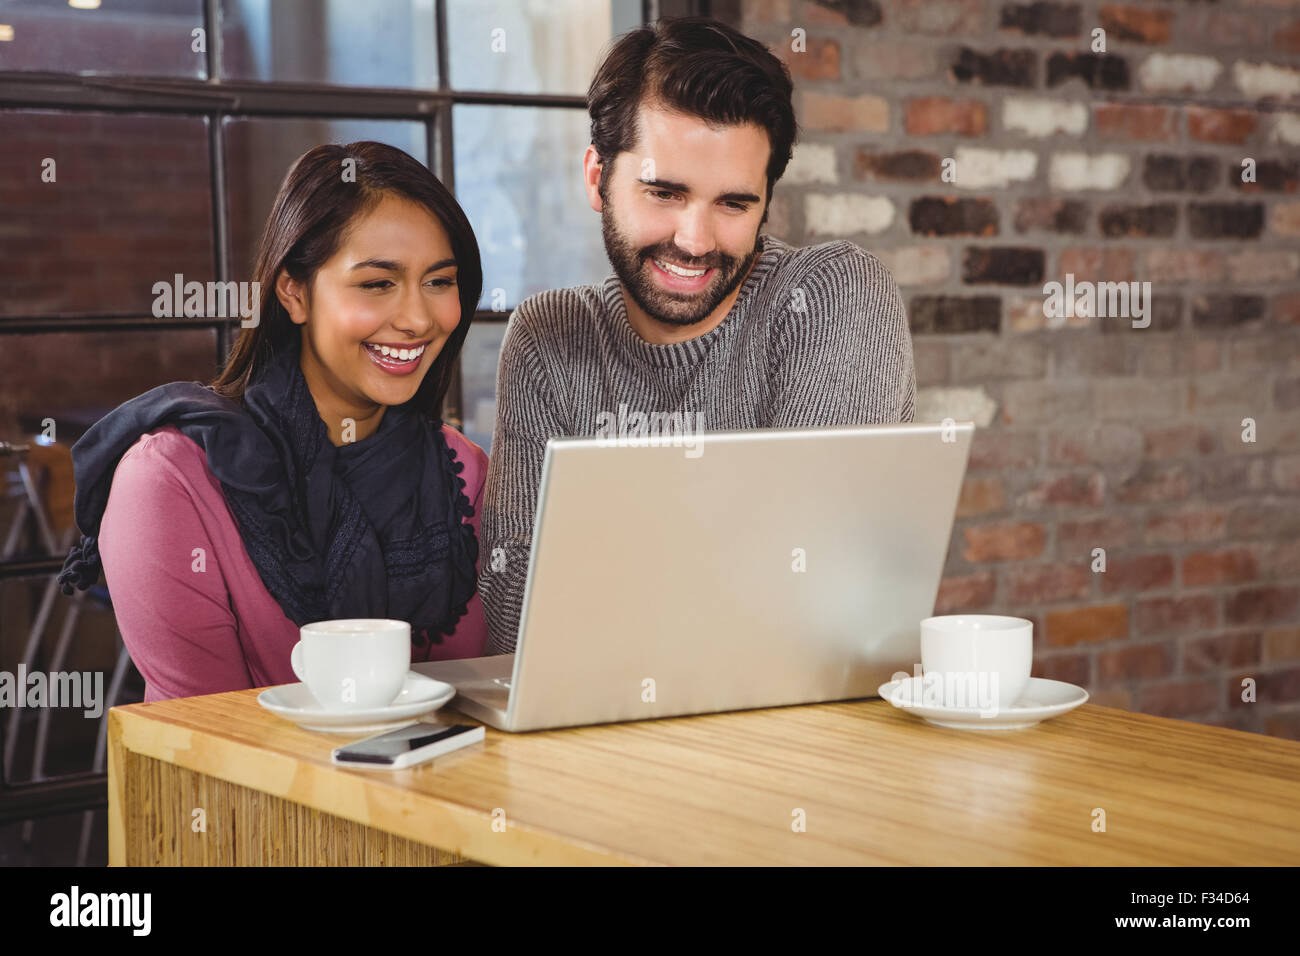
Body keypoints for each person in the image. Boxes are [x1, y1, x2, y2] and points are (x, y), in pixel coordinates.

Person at [478, 17, 917, 655]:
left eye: (733, 203)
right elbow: (511, 615)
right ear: (598, 178)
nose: (695, 240)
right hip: (599, 714)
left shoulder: (829, 294)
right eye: (664, 192)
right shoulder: (548, 335)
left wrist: (594, 559)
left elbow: (811, 595)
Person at [58, 141, 489, 701]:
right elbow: (209, 733)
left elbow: (477, 700)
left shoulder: (462, 471)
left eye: (439, 282)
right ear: (294, 292)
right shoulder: (169, 480)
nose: (418, 319)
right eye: (377, 283)